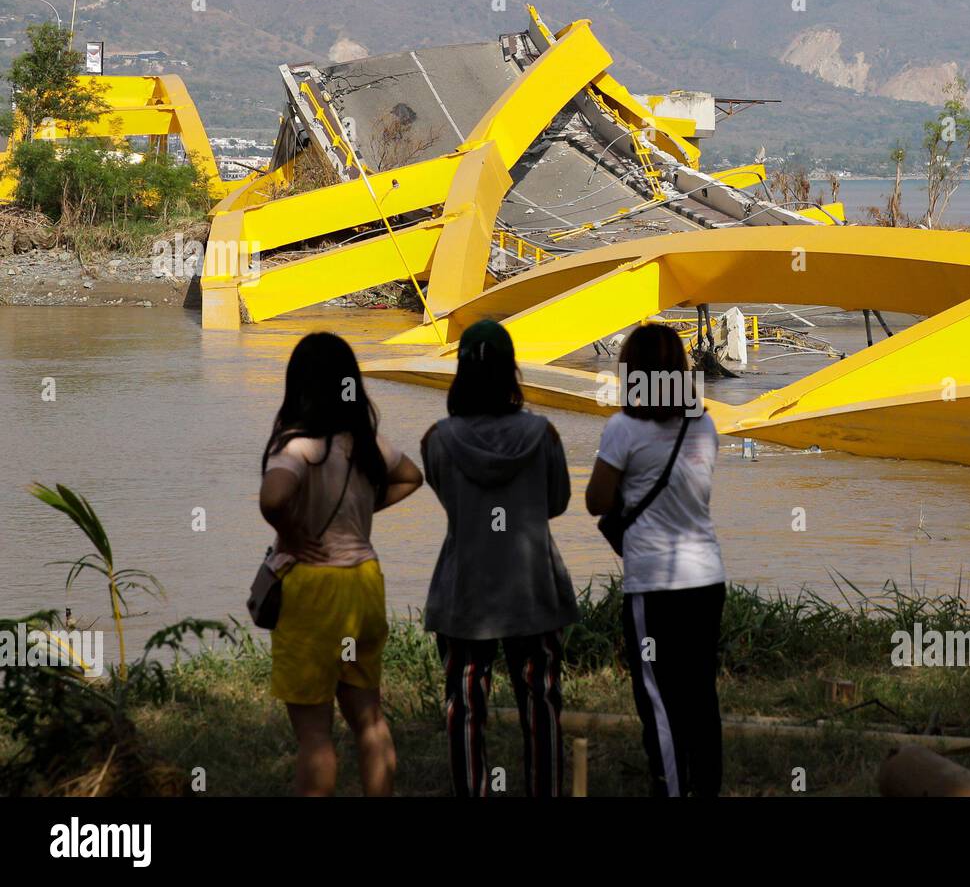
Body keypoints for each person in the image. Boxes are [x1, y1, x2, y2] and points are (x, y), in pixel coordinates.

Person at [259, 332, 423, 796]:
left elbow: (273, 497)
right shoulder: (364, 441)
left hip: (314, 590)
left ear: (297, 386)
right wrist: (366, 511)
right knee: (369, 720)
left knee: (314, 735)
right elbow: (412, 476)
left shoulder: (298, 445)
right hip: (364, 584)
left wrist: (291, 534)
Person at [421, 318, 577, 798]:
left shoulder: (438, 440)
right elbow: (557, 503)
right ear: (512, 373)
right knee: (542, 704)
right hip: (532, 586)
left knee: (465, 707)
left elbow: (448, 495)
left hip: (466, 588)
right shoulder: (544, 435)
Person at [585, 323, 726, 797]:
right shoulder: (704, 424)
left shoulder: (624, 429)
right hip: (707, 579)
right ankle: (704, 787)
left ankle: (669, 787)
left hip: (654, 586)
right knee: (700, 695)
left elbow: (596, 500)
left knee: (659, 701)